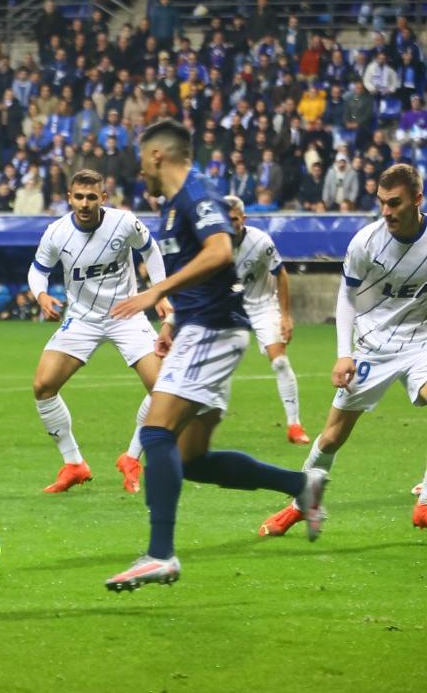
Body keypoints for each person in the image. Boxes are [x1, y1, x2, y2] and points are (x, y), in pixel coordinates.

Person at [104, 119, 327, 592]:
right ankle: (301, 485)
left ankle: (160, 555)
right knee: (192, 459)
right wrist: (172, 324)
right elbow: (201, 275)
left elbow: (221, 250)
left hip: (214, 332)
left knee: (156, 432)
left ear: (159, 156)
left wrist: (156, 291)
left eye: (142, 158)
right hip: (200, 330)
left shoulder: (197, 196)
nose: (139, 167)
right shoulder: (171, 208)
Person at [259, 164, 427, 536]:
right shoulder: (366, 243)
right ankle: (301, 504)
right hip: (373, 346)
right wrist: (344, 352)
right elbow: (347, 297)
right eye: (381, 203)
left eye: (394, 203)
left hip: (421, 342)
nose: (386, 212)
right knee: (333, 436)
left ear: (417, 200)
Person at [28, 169, 169, 494]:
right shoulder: (57, 232)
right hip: (82, 318)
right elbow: (38, 271)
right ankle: (74, 464)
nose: (85, 203)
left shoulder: (123, 222)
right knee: (43, 385)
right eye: (79, 197)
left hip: (127, 313)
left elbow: (151, 250)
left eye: (92, 197)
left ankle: (132, 457)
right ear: (69, 198)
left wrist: (159, 292)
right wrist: (42, 295)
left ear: (103, 198)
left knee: (163, 389)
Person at [224, 196, 310, 444]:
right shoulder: (213, 244)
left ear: (243, 219)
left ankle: (294, 425)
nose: (231, 225)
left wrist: (285, 316)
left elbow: (281, 274)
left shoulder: (260, 242)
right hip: (230, 308)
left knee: (280, 362)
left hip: (263, 306)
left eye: (235, 219)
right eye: (226, 219)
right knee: (214, 367)